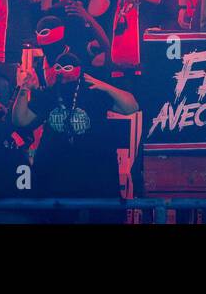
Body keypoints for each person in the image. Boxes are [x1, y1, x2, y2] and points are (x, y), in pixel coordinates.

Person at [12, 50, 138, 200]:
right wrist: (24, 88)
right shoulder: (49, 94)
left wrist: (104, 86)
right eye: (58, 68)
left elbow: (131, 107)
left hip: (93, 170)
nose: (62, 73)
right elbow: (20, 120)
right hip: (57, 174)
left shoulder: (93, 92)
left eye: (67, 68)